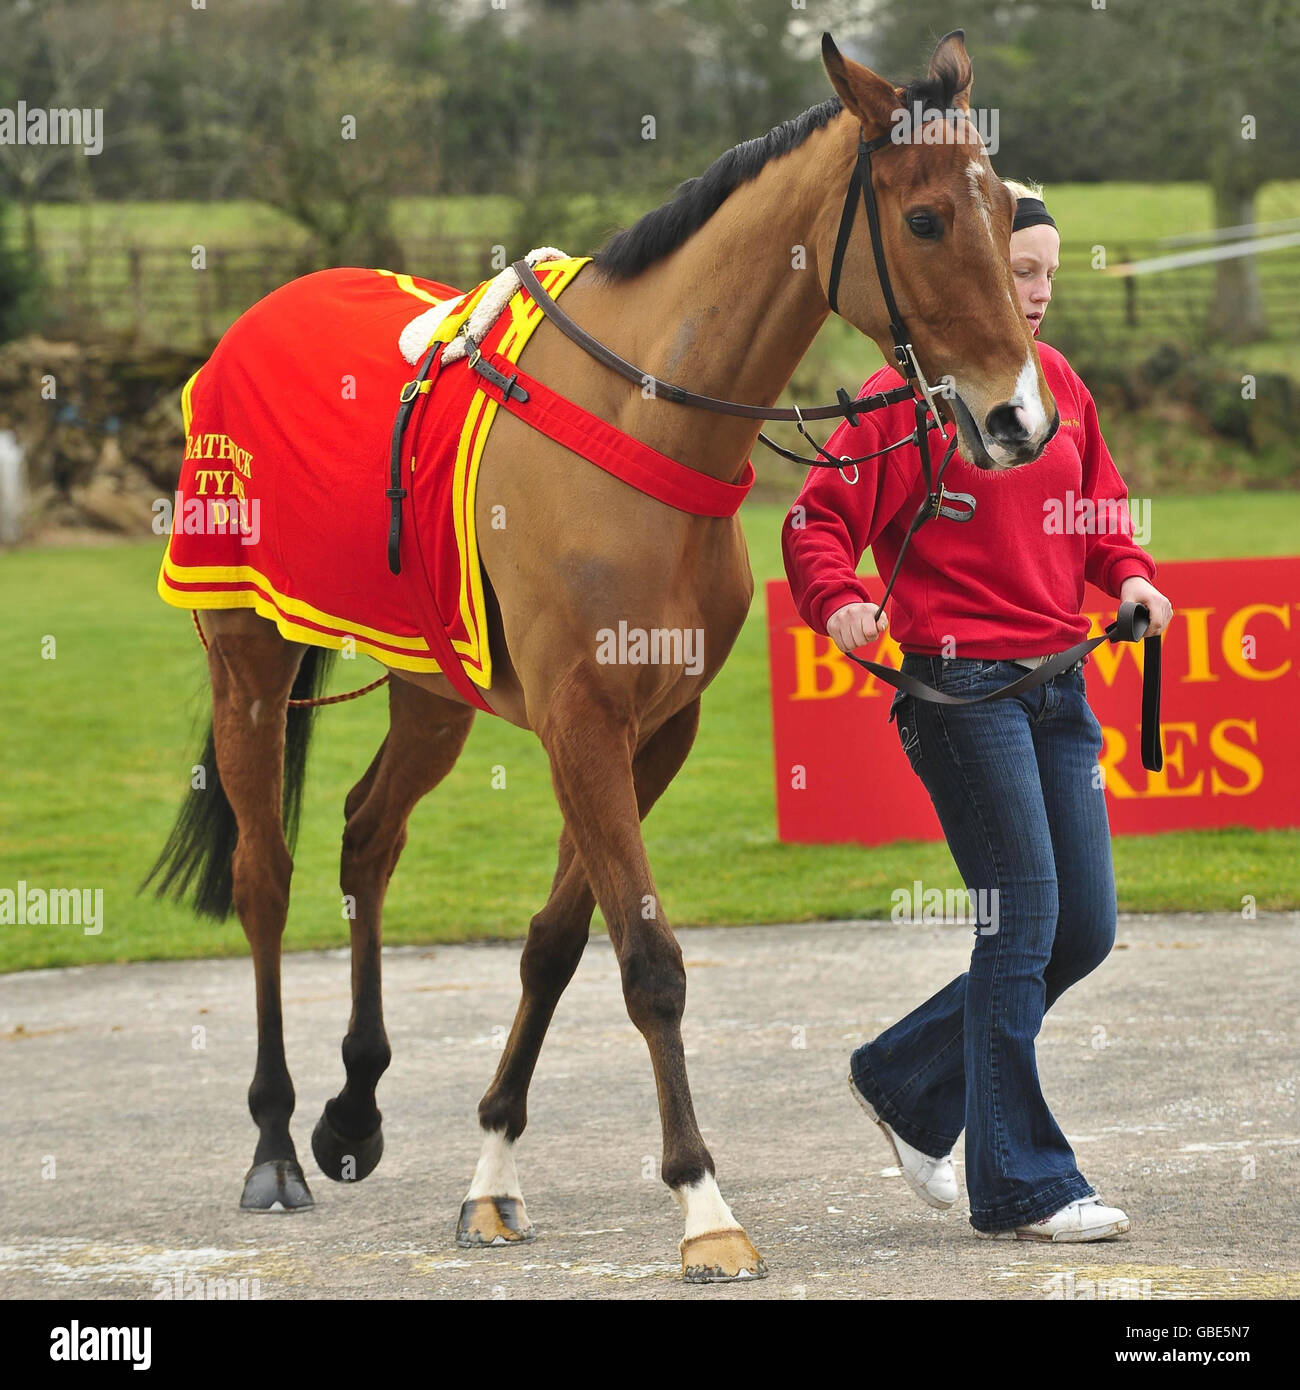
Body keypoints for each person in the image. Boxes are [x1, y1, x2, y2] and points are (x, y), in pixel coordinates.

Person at [782, 180, 1173, 1241]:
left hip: (1057, 686)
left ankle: (906, 1082)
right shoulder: (896, 401)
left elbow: (1097, 516)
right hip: (958, 694)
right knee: (1022, 919)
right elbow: (813, 526)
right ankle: (1023, 1181)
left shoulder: (1057, 387)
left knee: (1080, 929)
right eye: (1019, 275)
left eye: (1048, 273)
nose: (1038, 295)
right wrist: (845, 601)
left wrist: (1129, 575)